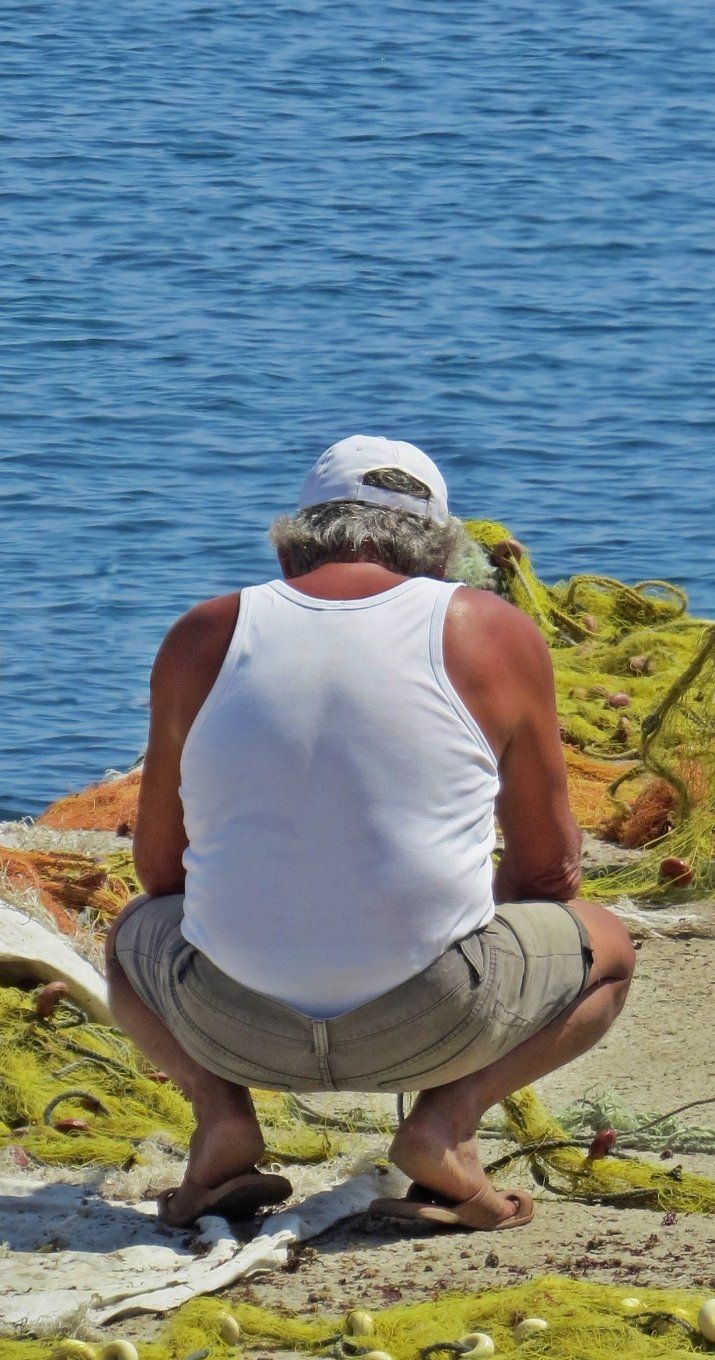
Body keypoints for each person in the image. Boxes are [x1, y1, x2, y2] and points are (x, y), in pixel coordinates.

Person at [106, 435, 635, 1231]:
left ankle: (222, 1121)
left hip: (230, 1027)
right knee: (608, 948)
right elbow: (550, 874)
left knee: (128, 937)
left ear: (298, 536)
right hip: (436, 1023)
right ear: (440, 549)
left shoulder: (203, 635)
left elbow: (160, 874)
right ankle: (444, 1127)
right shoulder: (489, 630)